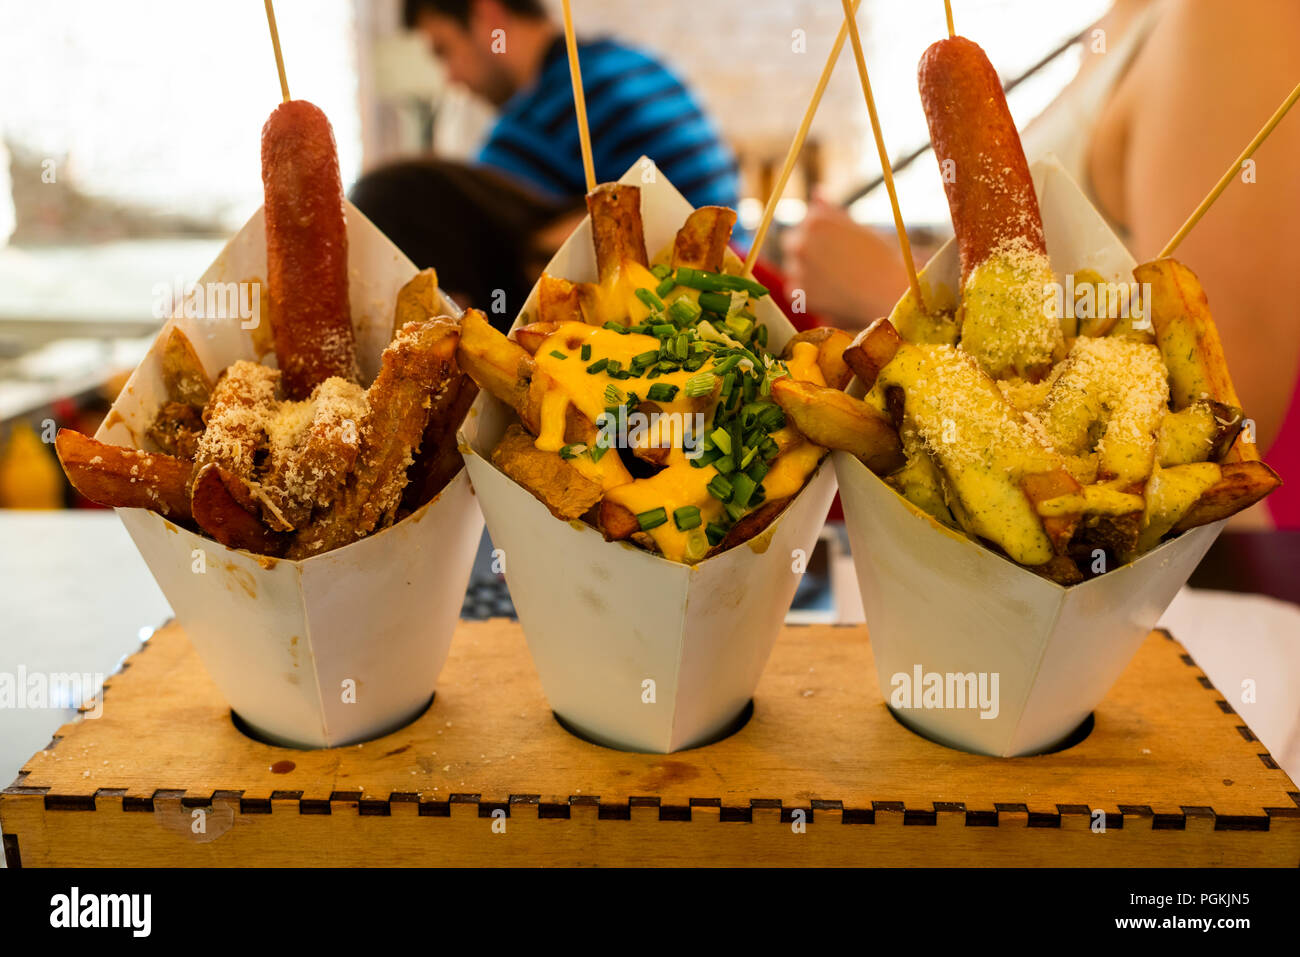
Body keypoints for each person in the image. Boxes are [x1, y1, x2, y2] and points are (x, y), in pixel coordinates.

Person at [781, 0, 1300, 528]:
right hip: (1005, 537)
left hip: (1158, 567)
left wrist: (885, 288)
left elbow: (1236, 394)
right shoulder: (1114, 22)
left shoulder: (1233, 16)